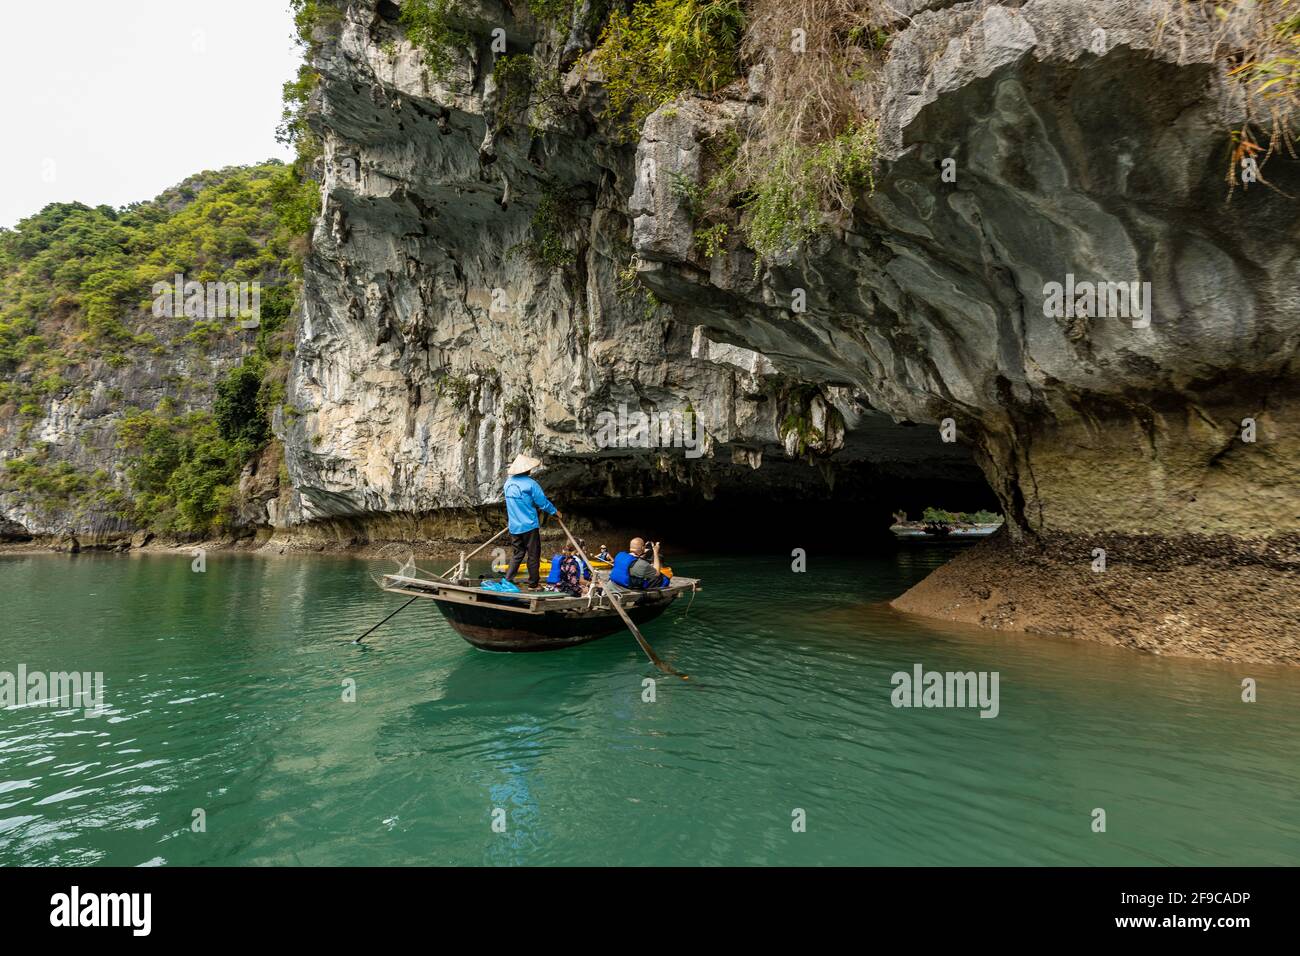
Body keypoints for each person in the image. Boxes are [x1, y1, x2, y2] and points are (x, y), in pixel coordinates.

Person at [502, 453, 559, 590]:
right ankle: (533, 584)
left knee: (518, 553)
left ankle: (508, 579)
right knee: (533, 555)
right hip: (529, 526)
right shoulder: (531, 484)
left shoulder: (508, 484)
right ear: (527, 470)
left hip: (514, 526)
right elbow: (542, 503)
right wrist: (555, 512)